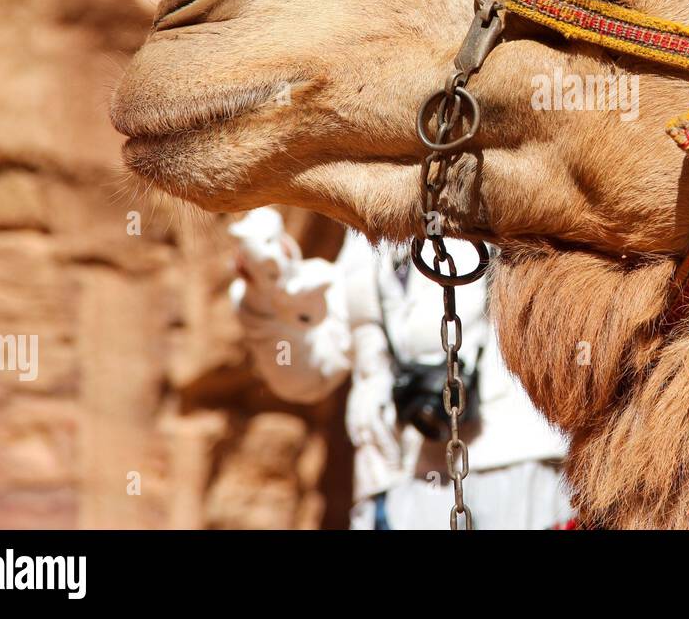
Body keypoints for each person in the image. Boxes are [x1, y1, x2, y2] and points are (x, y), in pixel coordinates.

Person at [228, 208, 572, 529]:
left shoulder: (506, 189)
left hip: (509, 472)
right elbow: (306, 376)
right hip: (385, 489)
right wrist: (263, 300)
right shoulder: (363, 231)